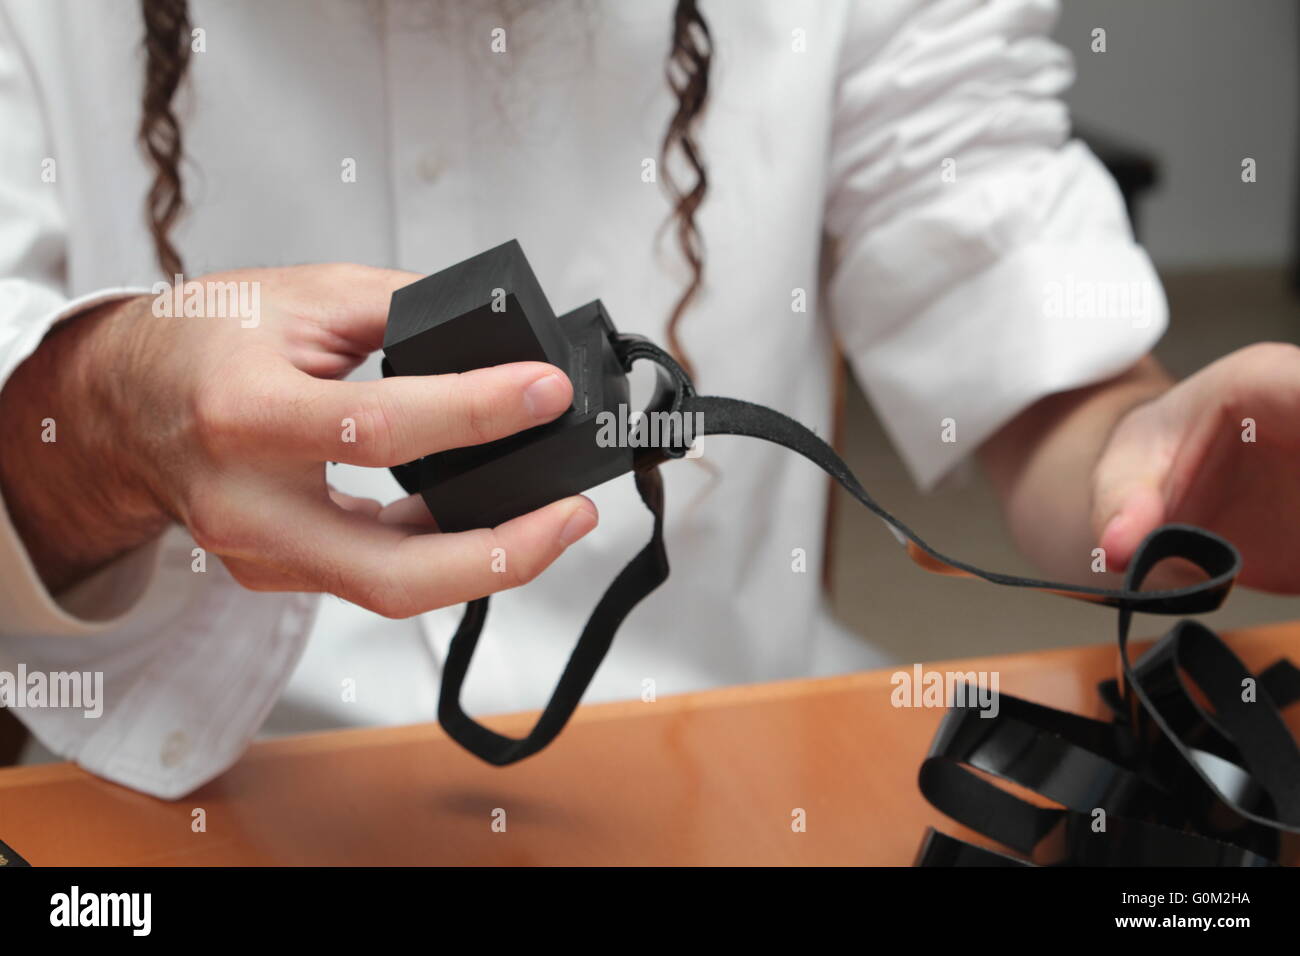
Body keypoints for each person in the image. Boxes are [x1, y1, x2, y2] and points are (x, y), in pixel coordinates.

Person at [0, 0, 1295, 798]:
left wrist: (1154, 468)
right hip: (179, 803)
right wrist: (103, 421)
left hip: (725, 786)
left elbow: (1032, 349)